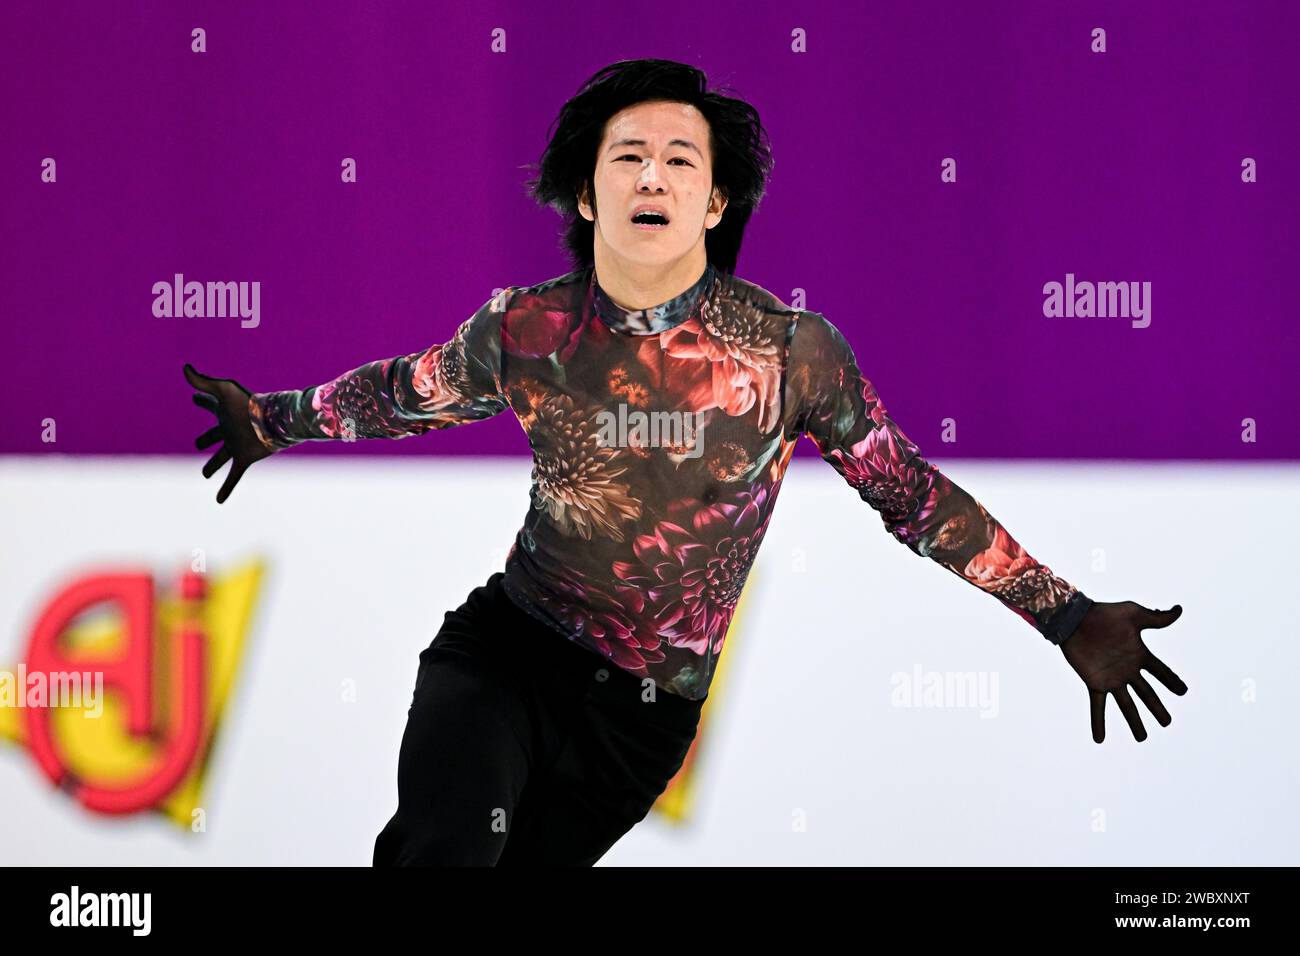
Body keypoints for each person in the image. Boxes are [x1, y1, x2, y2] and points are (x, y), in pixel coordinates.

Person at [184, 58, 1188, 866]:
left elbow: (907, 491)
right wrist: (270, 420)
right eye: (627, 157)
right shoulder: (526, 329)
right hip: (507, 653)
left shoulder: (792, 353)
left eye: (678, 160)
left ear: (715, 203)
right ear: (586, 192)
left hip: (642, 719)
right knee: (444, 851)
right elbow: (403, 394)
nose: (651, 176)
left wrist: (1061, 608)